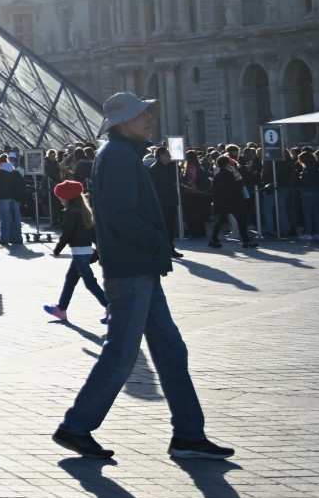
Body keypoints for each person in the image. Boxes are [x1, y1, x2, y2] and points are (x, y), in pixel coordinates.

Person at [55, 93, 233, 461]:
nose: (149, 118)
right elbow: (121, 214)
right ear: (122, 122)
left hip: (140, 268)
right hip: (132, 268)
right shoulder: (118, 156)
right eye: (141, 114)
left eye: (148, 112)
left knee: (170, 351)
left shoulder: (121, 154)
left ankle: (188, 434)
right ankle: (76, 426)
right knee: (122, 353)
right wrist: (156, 240)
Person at [46, 180, 106, 324]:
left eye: (61, 196)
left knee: (89, 282)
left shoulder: (70, 213)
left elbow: (67, 234)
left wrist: (57, 250)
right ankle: (61, 308)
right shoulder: (84, 211)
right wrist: (98, 248)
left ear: (68, 197)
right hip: (84, 251)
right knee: (71, 280)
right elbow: (93, 234)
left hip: (79, 252)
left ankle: (111, 307)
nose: (59, 199)